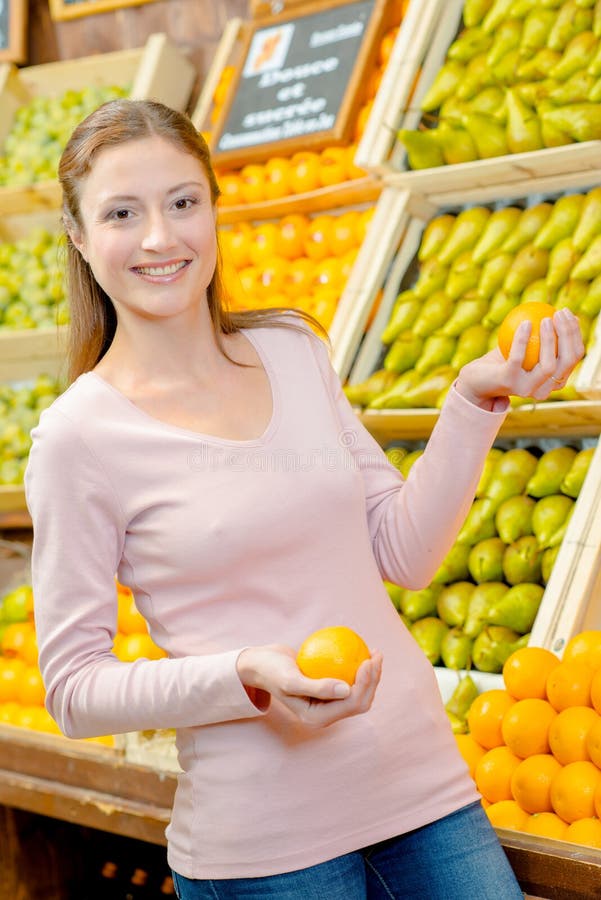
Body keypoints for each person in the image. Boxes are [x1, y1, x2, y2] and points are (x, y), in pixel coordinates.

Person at [25, 99, 583, 900]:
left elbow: (405, 554)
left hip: (422, 789)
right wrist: (242, 676)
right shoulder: (79, 437)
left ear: (214, 209)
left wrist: (472, 400)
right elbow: (75, 691)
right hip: (264, 848)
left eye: (183, 202)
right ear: (80, 238)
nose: (160, 237)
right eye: (122, 213)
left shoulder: (293, 350)